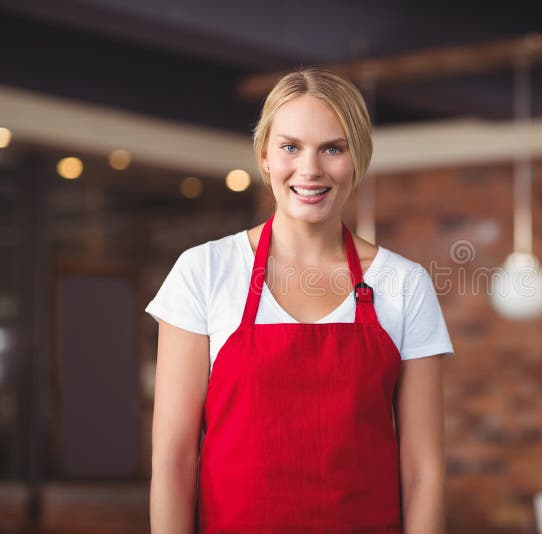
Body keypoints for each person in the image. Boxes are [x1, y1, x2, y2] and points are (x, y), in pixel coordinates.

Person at [146, 67, 454, 533]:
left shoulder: (405, 284)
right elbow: (174, 459)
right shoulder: (204, 271)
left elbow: (423, 472)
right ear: (265, 157)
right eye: (291, 147)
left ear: (358, 159)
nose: (310, 169)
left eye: (333, 148)